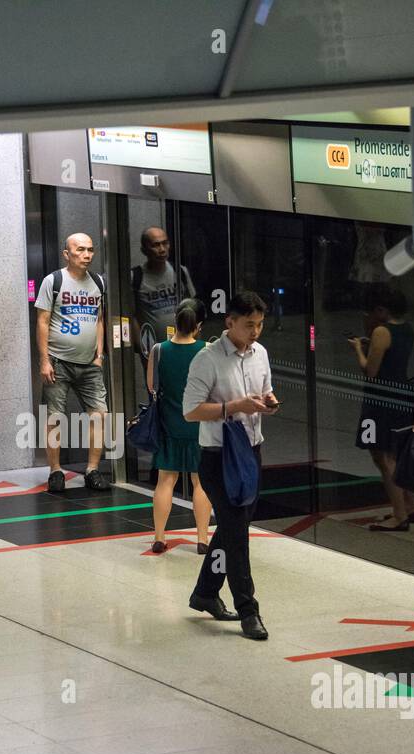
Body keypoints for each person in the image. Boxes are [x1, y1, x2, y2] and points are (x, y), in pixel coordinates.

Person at [182, 291, 278, 641]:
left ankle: (205, 592)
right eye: (249, 325)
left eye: (260, 325)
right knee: (237, 535)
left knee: (231, 528)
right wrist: (233, 407)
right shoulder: (207, 360)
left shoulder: (260, 354)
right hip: (218, 457)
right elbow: (190, 411)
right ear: (230, 322)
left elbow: (266, 391)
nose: (255, 331)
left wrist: (269, 403)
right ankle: (249, 611)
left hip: (251, 451)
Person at [33, 233, 110, 492]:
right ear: (67, 254)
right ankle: (55, 471)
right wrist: (44, 360)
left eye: (90, 250)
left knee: (99, 415)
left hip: (89, 363)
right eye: (80, 250)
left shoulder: (98, 282)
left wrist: (99, 355)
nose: (86, 255)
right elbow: (42, 321)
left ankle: (92, 469)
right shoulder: (53, 281)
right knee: (55, 417)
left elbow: (99, 320)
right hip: (58, 360)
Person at [348, 285, 414, 530]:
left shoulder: (381, 331)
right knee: (400, 453)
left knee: (382, 455)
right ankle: (410, 508)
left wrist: (359, 349)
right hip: (403, 396)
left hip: (381, 399)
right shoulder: (407, 328)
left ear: (381, 309)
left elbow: (370, 371)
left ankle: (399, 514)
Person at [148, 298, 211, 554]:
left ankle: (160, 537)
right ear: (199, 325)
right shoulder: (207, 349)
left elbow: (153, 387)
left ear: (175, 322)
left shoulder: (158, 350)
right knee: (201, 482)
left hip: (169, 424)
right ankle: (202, 540)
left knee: (166, 481)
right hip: (200, 426)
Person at [131, 226, 195, 356]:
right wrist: (142, 347)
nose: (162, 249)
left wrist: (195, 340)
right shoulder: (136, 277)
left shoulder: (180, 271)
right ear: (144, 250)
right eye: (155, 245)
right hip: (153, 348)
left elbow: (193, 308)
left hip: (183, 343)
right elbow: (131, 315)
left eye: (165, 243)